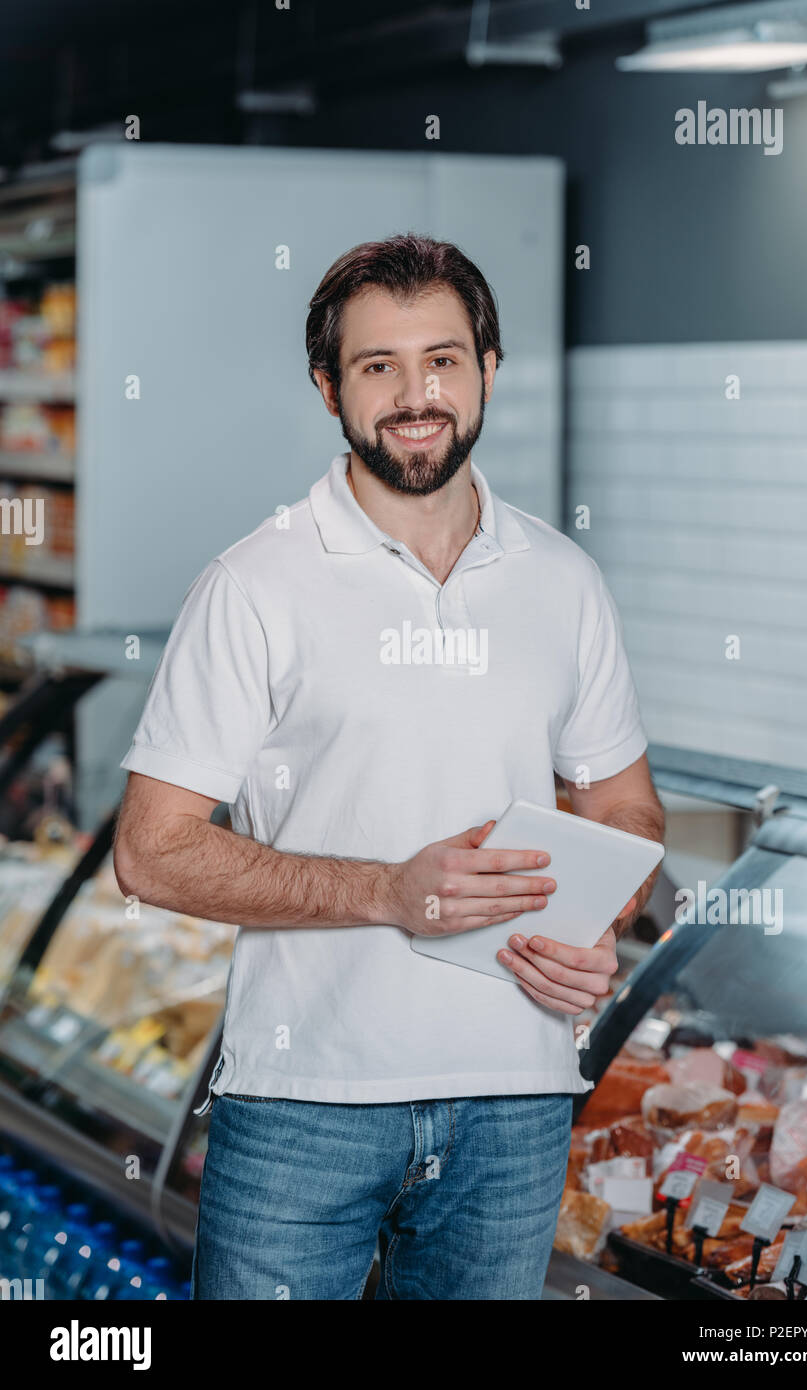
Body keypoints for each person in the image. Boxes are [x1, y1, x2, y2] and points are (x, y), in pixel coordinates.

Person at [114, 232, 664, 1300]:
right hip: (304, 1102)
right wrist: (387, 891)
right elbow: (151, 852)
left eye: (444, 360)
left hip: (518, 1101)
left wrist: (602, 920)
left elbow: (629, 811)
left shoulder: (565, 579)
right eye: (379, 367)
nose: (418, 395)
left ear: (489, 369)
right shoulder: (255, 583)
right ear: (329, 388)